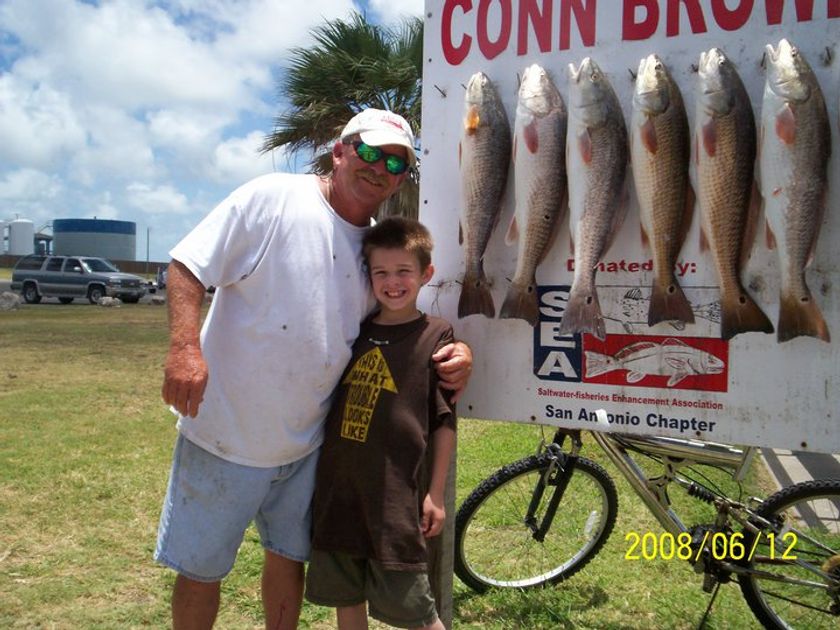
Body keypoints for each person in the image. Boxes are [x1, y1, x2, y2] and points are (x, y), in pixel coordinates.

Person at [155, 108, 472, 630]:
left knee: (288, 559)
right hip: (226, 437)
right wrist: (185, 348)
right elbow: (188, 263)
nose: (380, 168)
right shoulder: (274, 198)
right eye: (369, 152)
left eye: (396, 162)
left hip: (309, 448)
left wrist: (462, 353)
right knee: (201, 571)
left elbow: (398, 321)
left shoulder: (375, 247)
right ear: (340, 150)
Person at [304, 217, 455, 630]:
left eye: (404, 272)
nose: (393, 282)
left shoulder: (437, 336)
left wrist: (436, 494)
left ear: (426, 274)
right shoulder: (353, 332)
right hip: (337, 493)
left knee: (417, 610)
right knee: (346, 599)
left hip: (395, 499)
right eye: (381, 273)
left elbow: (444, 422)